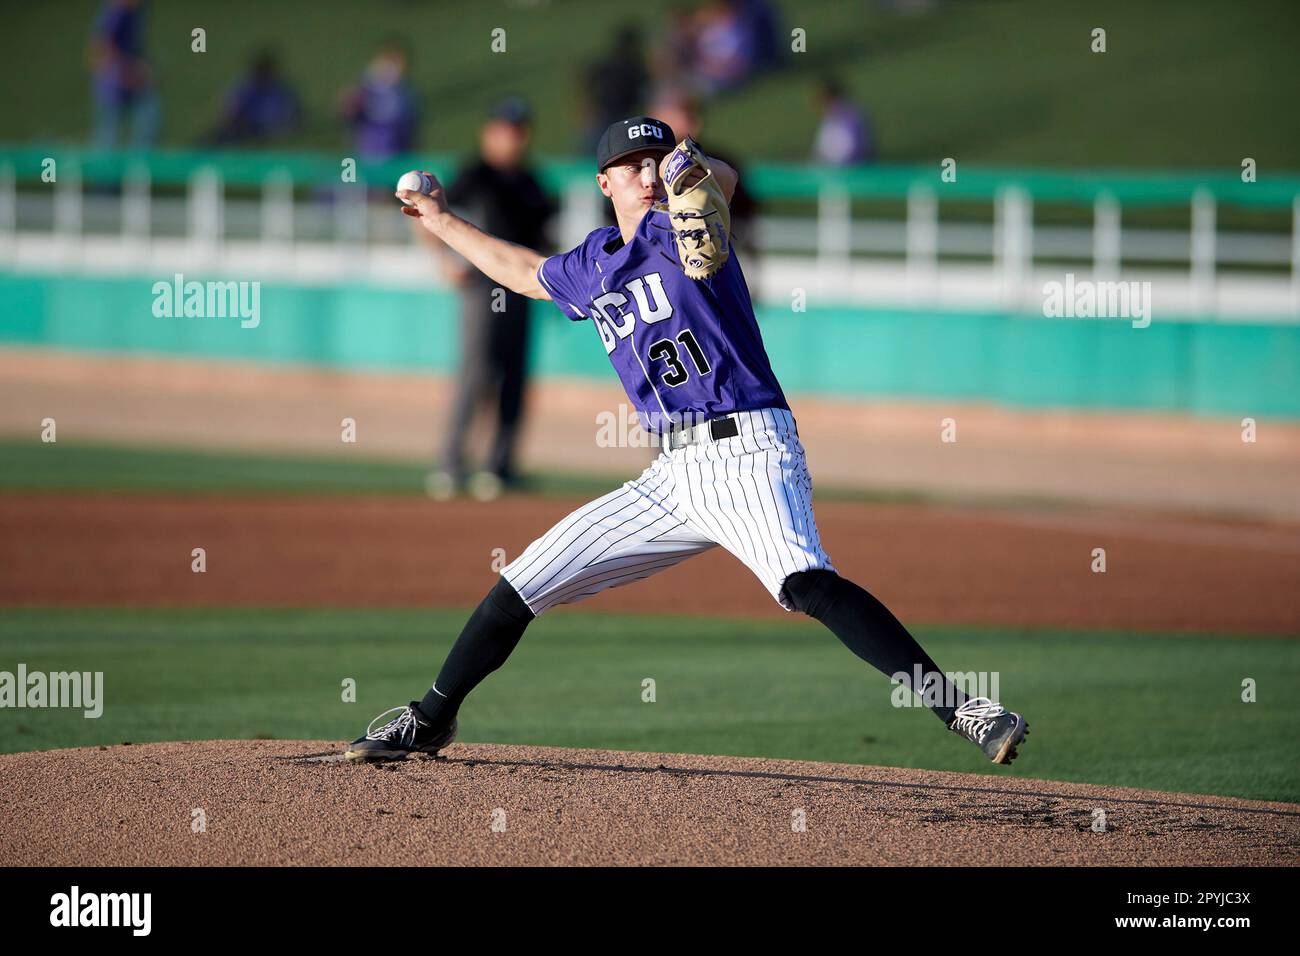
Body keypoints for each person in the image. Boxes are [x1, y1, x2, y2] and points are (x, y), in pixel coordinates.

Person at [345, 116, 1028, 767]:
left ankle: (961, 708)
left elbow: (719, 187)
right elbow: (522, 270)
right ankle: (431, 718)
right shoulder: (594, 261)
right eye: (628, 166)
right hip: (671, 474)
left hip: (749, 448)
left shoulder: (690, 222)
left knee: (806, 583)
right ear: (603, 182)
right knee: (522, 582)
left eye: (653, 162)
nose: (644, 174)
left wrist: (693, 167)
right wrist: (438, 221)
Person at [422, 98, 556, 501]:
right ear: (489, 133)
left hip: (524, 288)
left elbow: (545, 235)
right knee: (477, 372)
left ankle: (499, 466)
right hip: (482, 287)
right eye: (505, 129)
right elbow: (427, 216)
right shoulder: (474, 175)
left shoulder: (532, 181)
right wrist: (442, 260)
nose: (513, 137)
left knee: (514, 376)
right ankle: (451, 463)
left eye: (519, 129)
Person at [88, 0, 158, 149]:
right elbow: (101, 49)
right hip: (115, 84)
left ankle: (137, 165)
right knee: (109, 134)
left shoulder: (133, 13)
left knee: (148, 119)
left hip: (129, 81)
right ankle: (105, 169)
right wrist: (125, 71)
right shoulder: (117, 12)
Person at [341, 40, 418, 161]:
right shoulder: (365, 89)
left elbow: (411, 132)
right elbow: (345, 111)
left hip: (395, 160)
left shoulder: (406, 95)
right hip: (366, 158)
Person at [207, 51, 300, 146]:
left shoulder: (281, 90)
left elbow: (294, 115)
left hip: (266, 131)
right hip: (246, 130)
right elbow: (230, 113)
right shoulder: (247, 89)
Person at [813, 76, 876, 166]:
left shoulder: (850, 116)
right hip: (833, 170)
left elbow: (851, 151)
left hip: (853, 171)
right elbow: (820, 150)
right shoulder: (830, 117)